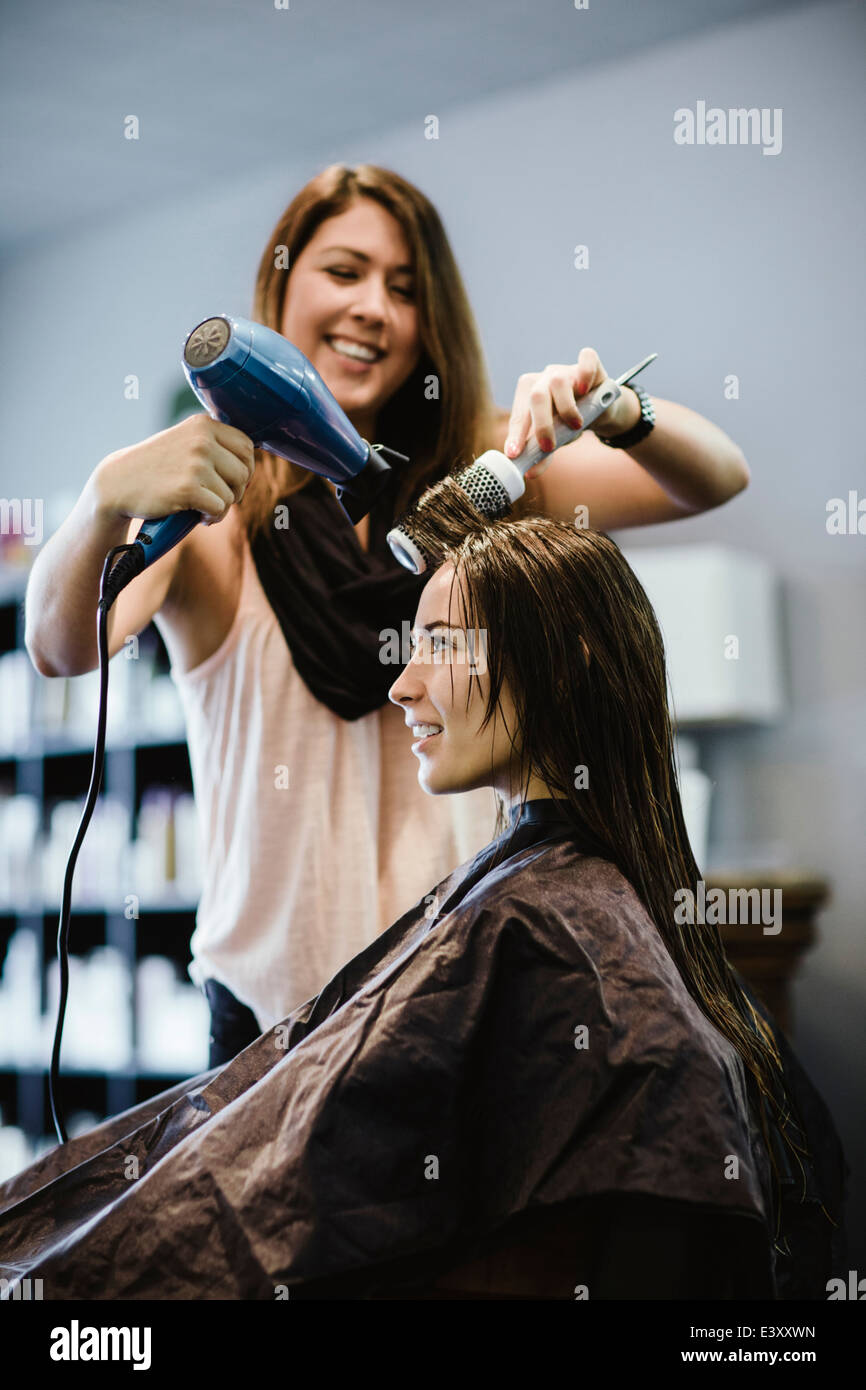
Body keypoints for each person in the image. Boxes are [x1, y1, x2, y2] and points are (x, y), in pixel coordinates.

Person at [1, 508, 846, 1300]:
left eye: (441, 644)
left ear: (565, 659)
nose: (402, 683)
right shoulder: (559, 903)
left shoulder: (548, 926)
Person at [23, 163, 752, 1066]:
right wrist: (101, 505)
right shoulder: (220, 525)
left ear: (430, 322)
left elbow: (717, 479)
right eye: (344, 271)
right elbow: (59, 646)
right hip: (269, 1028)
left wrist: (617, 409)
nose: (374, 306)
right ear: (280, 292)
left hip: (459, 1004)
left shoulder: (487, 486)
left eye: (405, 289)